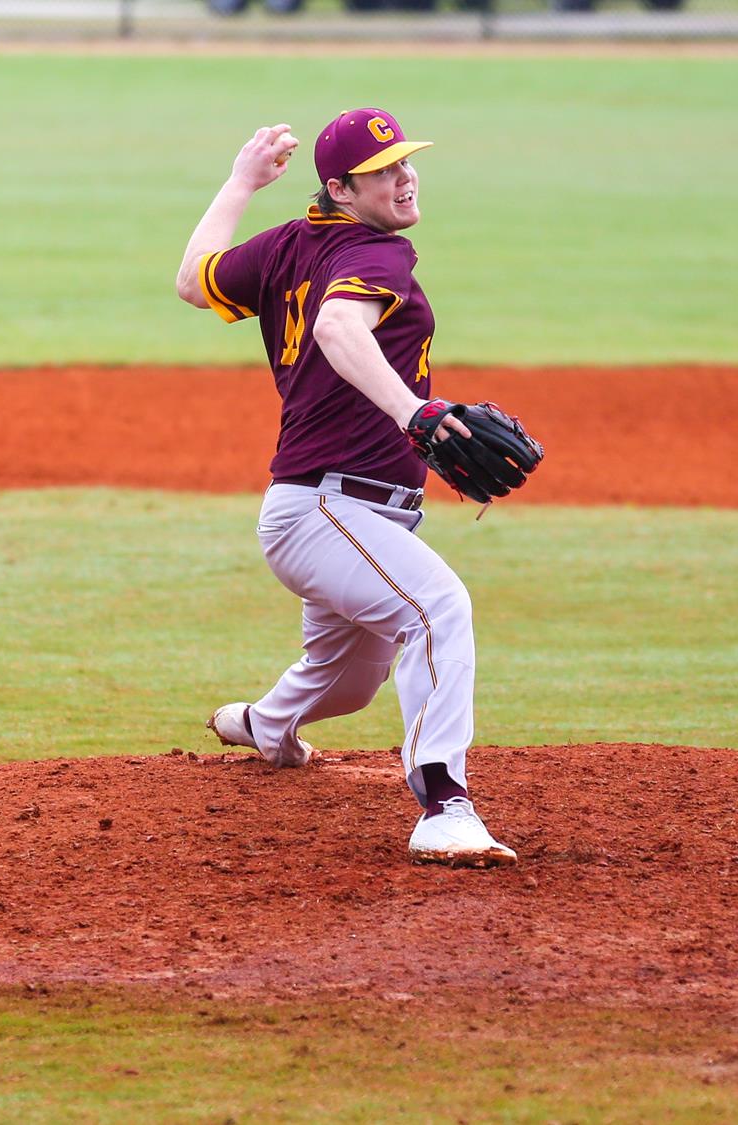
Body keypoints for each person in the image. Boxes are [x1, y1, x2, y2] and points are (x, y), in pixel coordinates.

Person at [173, 108, 515, 868]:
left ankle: (266, 724)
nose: (404, 178)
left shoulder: (288, 243)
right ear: (340, 189)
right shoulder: (375, 252)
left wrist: (239, 184)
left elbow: (194, 280)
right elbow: (336, 329)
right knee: (439, 609)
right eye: (382, 172)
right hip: (325, 509)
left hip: (343, 514)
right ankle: (444, 807)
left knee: (352, 682)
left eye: (405, 162)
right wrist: (413, 413)